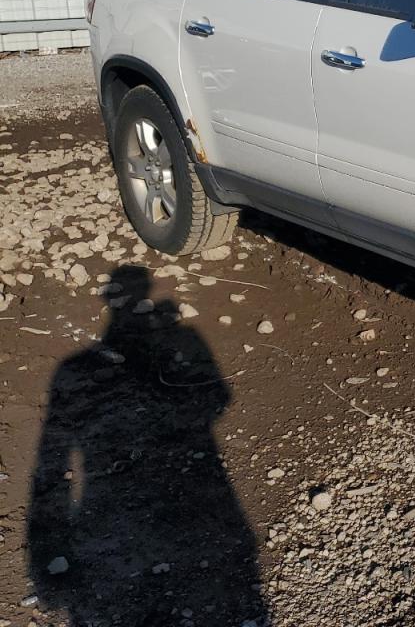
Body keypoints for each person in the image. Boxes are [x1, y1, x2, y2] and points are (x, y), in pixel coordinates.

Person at [27, 264, 266, 625]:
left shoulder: (74, 368)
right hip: (181, 490)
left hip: (110, 505)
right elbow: (220, 398)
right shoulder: (179, 341)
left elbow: (52, 453)